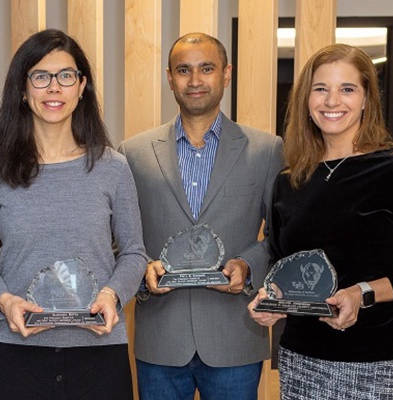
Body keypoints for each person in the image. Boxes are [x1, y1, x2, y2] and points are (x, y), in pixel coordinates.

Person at [248, 43, 393, 399]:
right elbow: (282, 263)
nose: (332, 101)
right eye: (321, 88)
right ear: (306, 100)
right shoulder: (289, 180)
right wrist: (270, 300)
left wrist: (363, 293)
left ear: (366, 99)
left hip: (374, 360)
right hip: (300, 358)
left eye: (347, 89)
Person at [0, 29, 147, 400]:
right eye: (41, 76)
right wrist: (5, 301)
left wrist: (112, 295)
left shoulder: (113, 168)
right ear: (22, 88)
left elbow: (133, 253)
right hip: (18, 352)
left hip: (98, 352)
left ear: (82, 87)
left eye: (66, 76)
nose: (54, 88)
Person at [119, 32, 284, 400]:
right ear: (169, 78)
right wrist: (144, 267)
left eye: (206, 68)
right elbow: (120, 235)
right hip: (161, 337)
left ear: (226, 74)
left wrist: (247, 264)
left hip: (235, 335)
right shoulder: (133, 152)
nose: (195, 80)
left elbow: (281, 236)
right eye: (184, 70)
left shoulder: (266, 150)